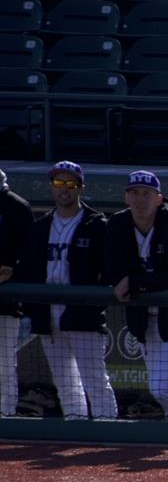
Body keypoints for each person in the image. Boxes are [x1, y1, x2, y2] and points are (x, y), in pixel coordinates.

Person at [15, 161, 116, 419]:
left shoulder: (96, 224)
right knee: (65, 381)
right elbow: (28, 268)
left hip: (82, 312)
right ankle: (76, 426)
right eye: (59, 183)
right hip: (48, 313)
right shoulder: (41, 226)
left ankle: (108, 427)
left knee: (95, 379)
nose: (64, 189)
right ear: (52, 187)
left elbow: (109, 270)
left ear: (80, 187)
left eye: (70, 184)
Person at [106, 170, 168, 423]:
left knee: (162, 387)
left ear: (159, 198)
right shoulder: (118, 223)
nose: (140, 199)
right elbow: (112, 266)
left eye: (147, 193)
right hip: (144, 317)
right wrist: (127, 280)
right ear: (126, 197)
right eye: (134, 193)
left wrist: (134, 281)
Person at [0, 167, 30, 417]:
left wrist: (13, 271)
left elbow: (29, 257)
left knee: (4, 366)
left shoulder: (16, 206)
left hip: (6, 303)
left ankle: (7, 417)